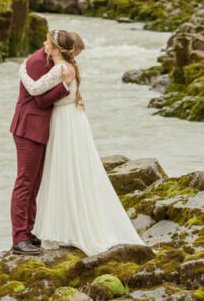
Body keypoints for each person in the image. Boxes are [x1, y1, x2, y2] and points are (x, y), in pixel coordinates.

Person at [18, 29, 145, 256]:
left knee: (61, 174)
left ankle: (48, 230)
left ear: (57, 49)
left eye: (47, 42)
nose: (43, 44)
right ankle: (36, 232)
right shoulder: (68, 66)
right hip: (72, 120)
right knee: (71, 171)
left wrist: (22, 72)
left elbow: (37, 92)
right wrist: (71, 91)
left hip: (64, 121)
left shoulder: (59, 68)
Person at [8, 31, 76, 255]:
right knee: (25, 182)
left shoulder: (51, 59)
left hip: (39, 128)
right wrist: (65, 87)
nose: (43, 43)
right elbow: (40, 100)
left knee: (34, 182)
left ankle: (28, 231)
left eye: (47, 40)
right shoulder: (39, 61)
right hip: (28, 128)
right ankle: (19, 238)